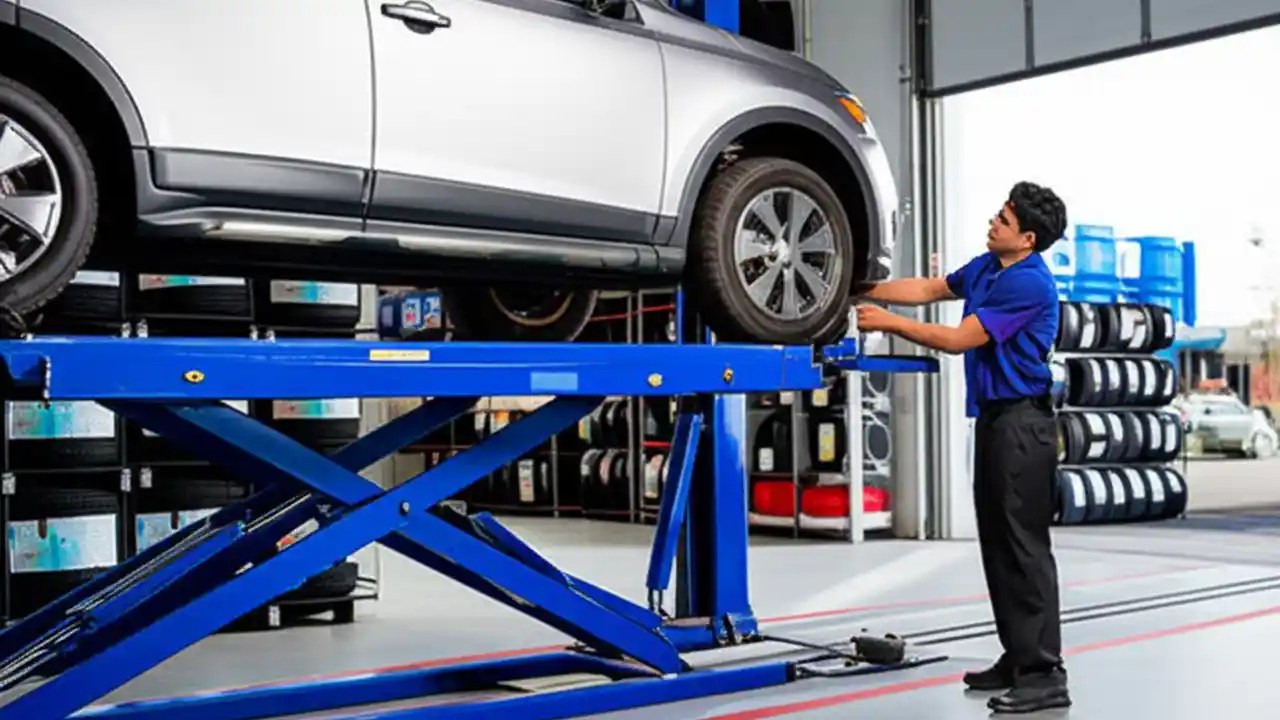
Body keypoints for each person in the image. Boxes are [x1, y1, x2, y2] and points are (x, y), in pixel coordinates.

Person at [855, 181, 1070, 714]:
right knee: (998, 545)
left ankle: (1044, 674)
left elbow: (958, 340)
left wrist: (886, 323)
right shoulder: (988, 267)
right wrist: (865, 288)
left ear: (1027, 238)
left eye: (1004, 218)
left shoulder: (1028, 285)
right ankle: (1017, 657)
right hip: (997, 424)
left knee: (1024, 550)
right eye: (998, 212)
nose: (993, 221)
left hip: (1024, 428)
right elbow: (931, 289)